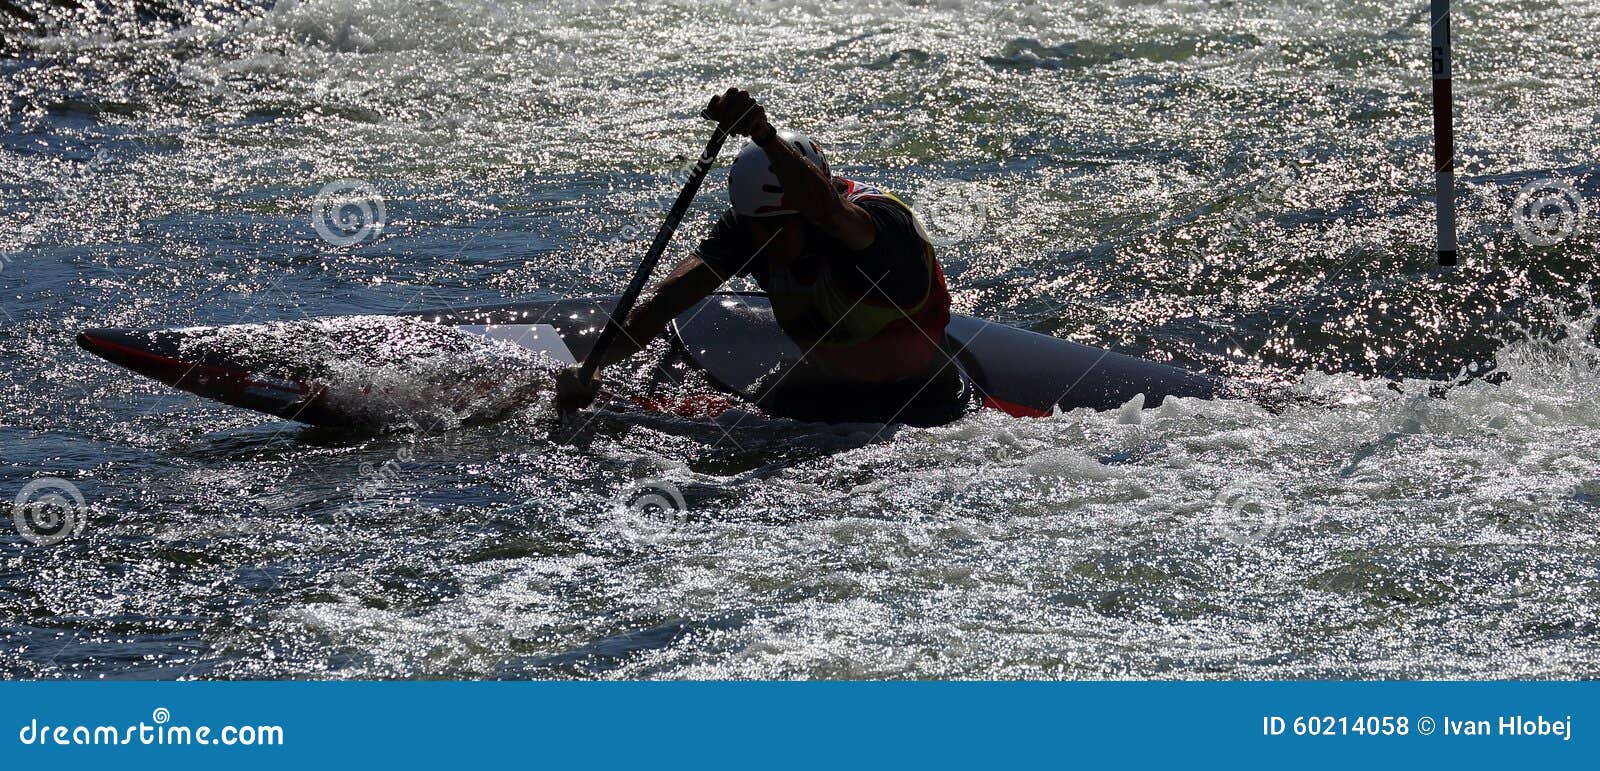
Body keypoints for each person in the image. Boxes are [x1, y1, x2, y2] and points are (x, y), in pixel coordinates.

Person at [555, 87, 970, 426]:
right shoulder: (753, 230)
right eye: (755, 226)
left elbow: (830, 212)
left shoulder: (880, 227)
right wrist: (598, 363)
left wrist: (762, 134)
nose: (764, 240)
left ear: (805, 216)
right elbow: (668, 300)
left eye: (776, 228)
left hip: (923, 400)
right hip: (829, 390)